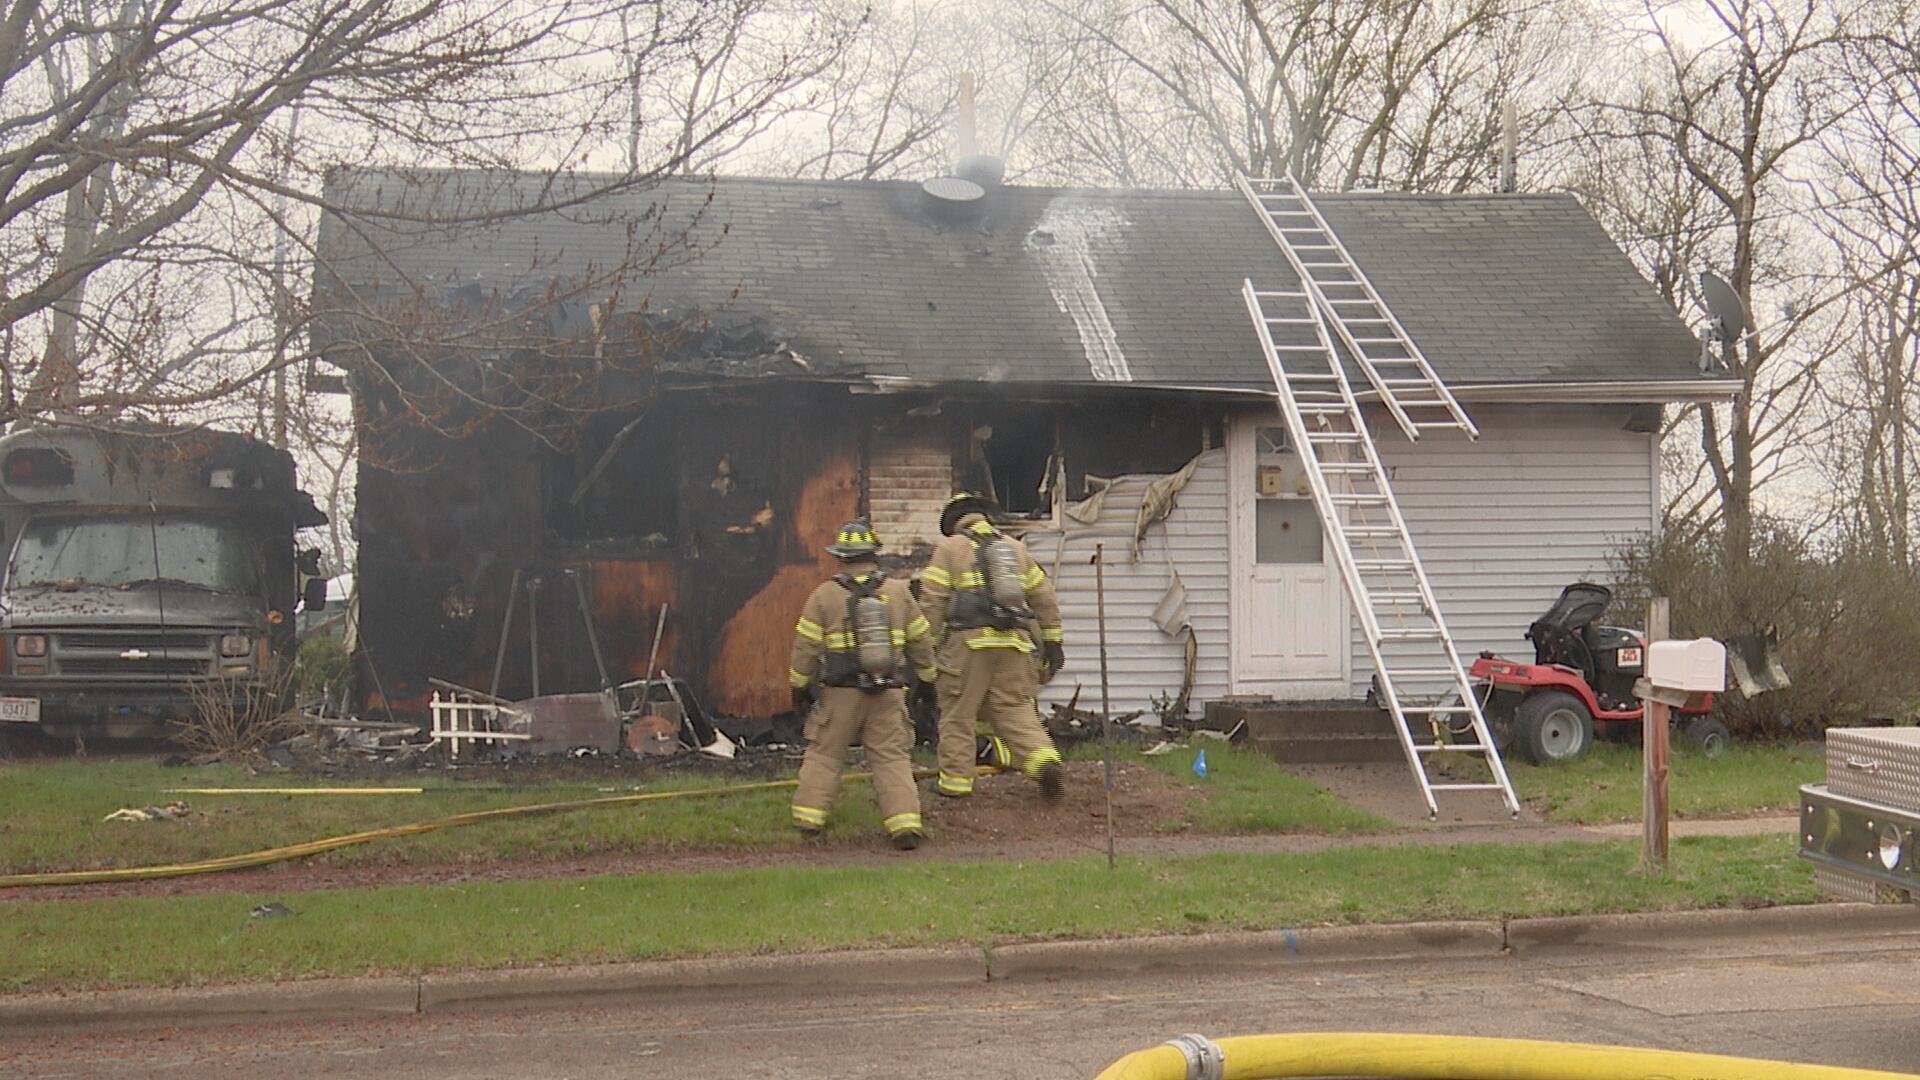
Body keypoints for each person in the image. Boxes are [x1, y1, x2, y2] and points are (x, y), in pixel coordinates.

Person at [787, 519, 938, 849]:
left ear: (841, 557)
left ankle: (809, 820)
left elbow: (806, 649)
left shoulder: (824, 596)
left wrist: (798, 687)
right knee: (892, 758)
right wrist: (927, 681)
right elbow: (921, 642)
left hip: (840, 694)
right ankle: (905, 825)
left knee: (825, 753)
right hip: (888, 692)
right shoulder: (898, 593)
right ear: (874, 554)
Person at [919, 492, 1067, 800]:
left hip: (968, 644)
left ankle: (956, 783)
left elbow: (932, 602)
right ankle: (1043, 760)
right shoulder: (1015, 549)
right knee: (1015, 709)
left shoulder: (950, 549)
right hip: (1015, 642)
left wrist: (926, 651)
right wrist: (1053, 642)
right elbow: (1044, 597)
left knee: (958, 713)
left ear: (953, 522)